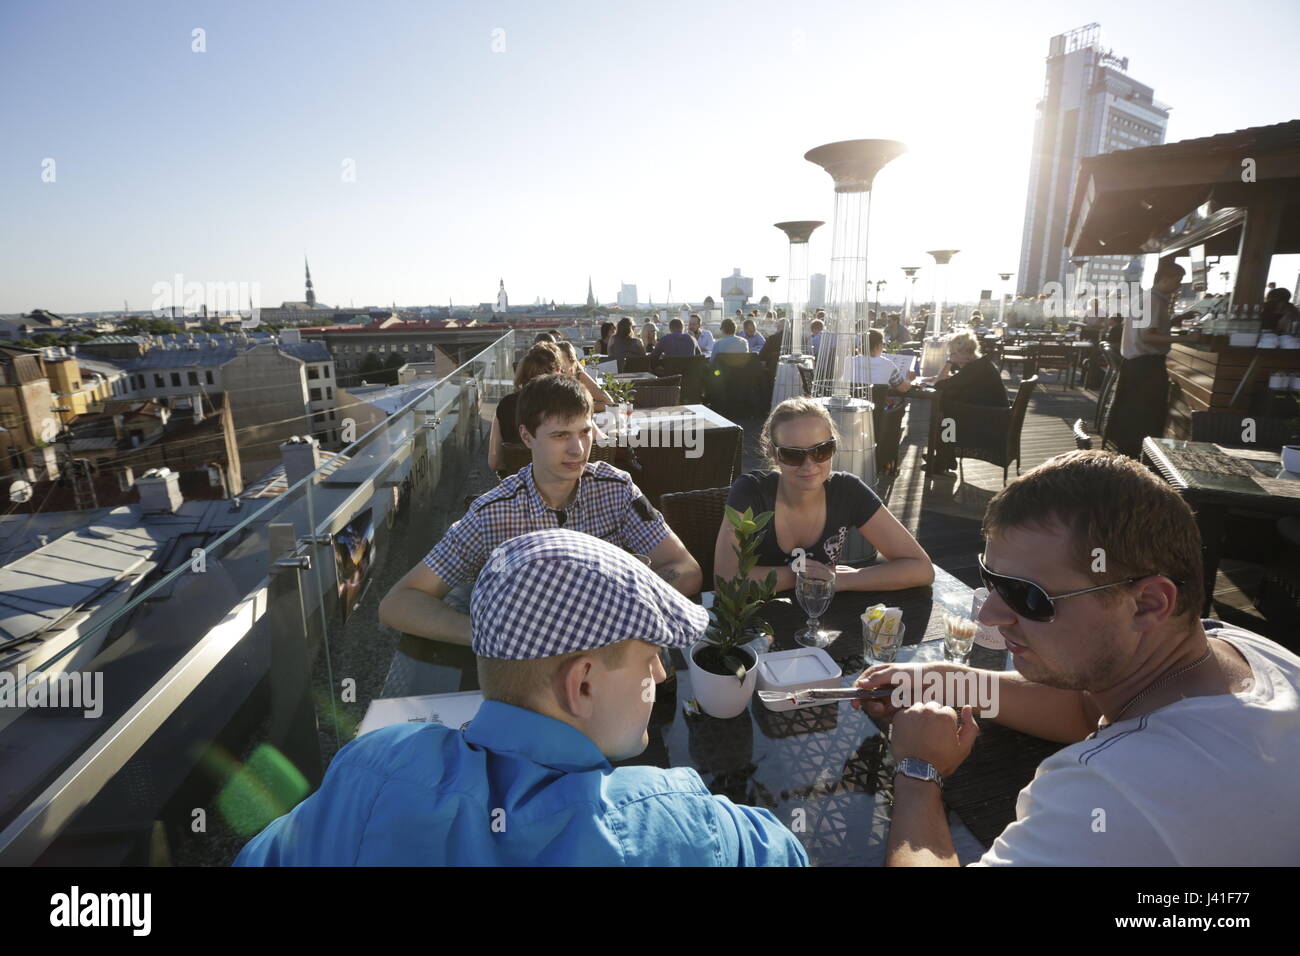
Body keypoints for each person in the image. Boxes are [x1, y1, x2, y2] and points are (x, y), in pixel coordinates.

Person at [240, 529, 808, 866]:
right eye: (649, 655)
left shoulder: (374, 771)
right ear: (581, 684)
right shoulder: (670, 820)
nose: (661, 674)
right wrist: (904, 771)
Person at [854, 450, 1300, 866]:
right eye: (991, 580)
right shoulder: (1240, 648)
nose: (990, 613)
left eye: (1026, 595)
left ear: (1148, 603)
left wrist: (918, 771)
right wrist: (948, 679)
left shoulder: (1120, 790)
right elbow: (1088, 709)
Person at [378, 374, 702, 645]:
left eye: (585, 432)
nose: (578, 449)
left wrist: (619, 614)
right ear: (527, 436)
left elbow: (684, 567)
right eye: (561, 435)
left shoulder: (616, 489)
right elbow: (398, 603)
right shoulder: (492, 513)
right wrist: (497, 636)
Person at [714, 398, 933, 591]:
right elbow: (725, 581)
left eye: (821, 450)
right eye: (792, 454)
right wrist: (805, 576)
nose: (809, 465)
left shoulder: (848, 490)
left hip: (822, 618)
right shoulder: (751, 492)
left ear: (834, 446)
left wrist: (842, 580)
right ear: (773, 452)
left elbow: (921, 569)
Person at [1104, 260, 1183, 459]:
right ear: (1165, 279)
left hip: (1136, 365)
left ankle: (1128, 457)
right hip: (1147, 366)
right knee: (1145, 416)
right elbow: (1148, 336)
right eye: (1178, 280)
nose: (1178, 286)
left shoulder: (1145, 297)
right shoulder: (1153, 300)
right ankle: (1136, 460)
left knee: (1132, 415)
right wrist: (1188, 337)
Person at [923, 330, 1007, 474]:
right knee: (949, 405)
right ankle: (945, 455)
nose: (951, 357)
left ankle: (943, 458)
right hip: (996, 417)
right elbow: (961, 383)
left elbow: (939, 385)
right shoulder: (980, 365)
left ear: (965, 354)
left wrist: (948, 363)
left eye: (953, 354)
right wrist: (945, 378)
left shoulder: (974, 369)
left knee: (947, 411)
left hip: (989, 423)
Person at [487, 342, 562, 473]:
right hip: (556, 484)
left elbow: (494, 462)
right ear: (557, 372)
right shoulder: (565, 404)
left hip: (516, 487)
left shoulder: (505, 404)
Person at [554, 339, 612, 412]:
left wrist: (578, 408)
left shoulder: (580, 377)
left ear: (572, 361)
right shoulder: (551, 379)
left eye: (561, 361)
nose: (557, 365)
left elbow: (608, 402)